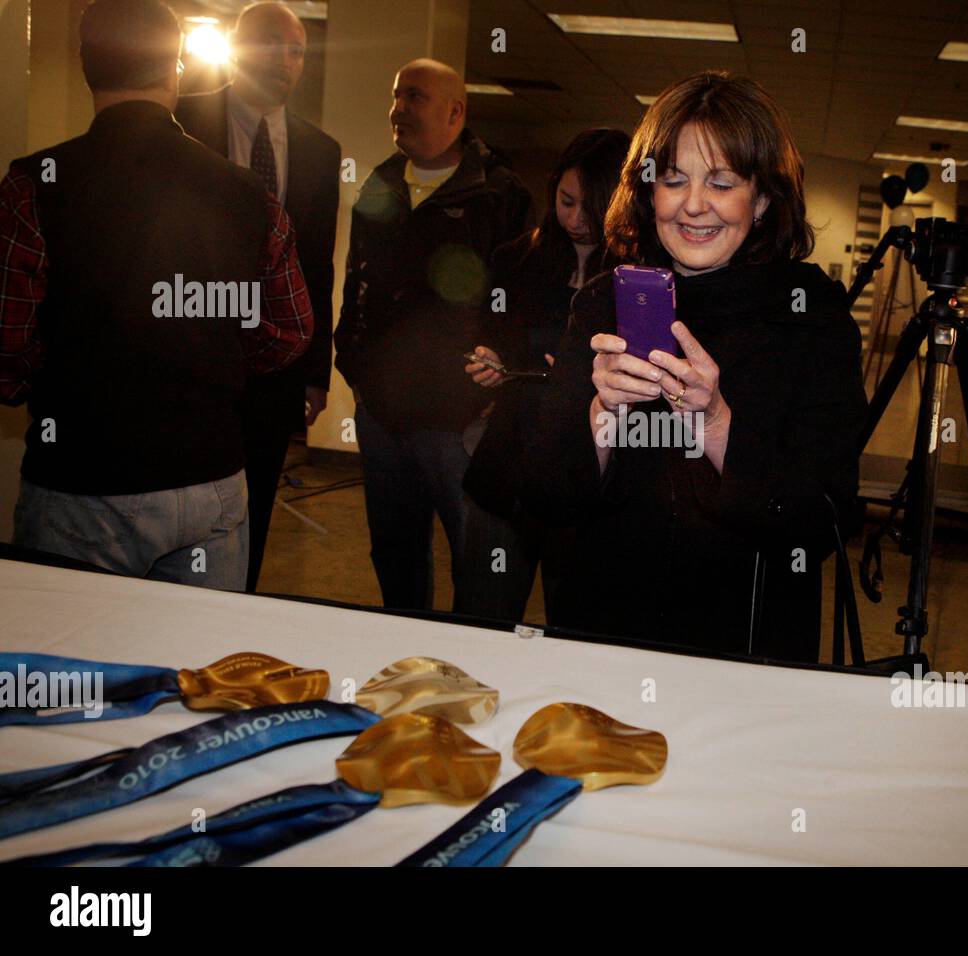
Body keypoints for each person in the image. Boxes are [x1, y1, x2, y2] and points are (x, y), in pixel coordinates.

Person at [523, 71, 867, 662]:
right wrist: (601, 414)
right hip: (604, 632)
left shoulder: (810, 316)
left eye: (723, 182)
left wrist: (716, 427)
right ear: (647, 193)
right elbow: (546, 496)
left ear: (761, 199)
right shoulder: (607, 301)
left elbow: (823, 516)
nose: (694, 205)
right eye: (674, 180)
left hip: (745, 645)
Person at [0, 0, 312, 589]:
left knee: (82, 676)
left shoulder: (33, 186)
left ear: (86, 65)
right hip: (209, 483)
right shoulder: (246, 193)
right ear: (174, 69)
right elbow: (291, 329)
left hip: (82, 483)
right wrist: (213, 355)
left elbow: (7, 347)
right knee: (199, 675)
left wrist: (59, 370)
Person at [333, 59, 533, 611]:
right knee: (395, 558)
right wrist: (353, 363)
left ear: (455, 110)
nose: (398, 109)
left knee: (477, 563)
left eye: (414, 97)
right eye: (396, 96)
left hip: (459, 423)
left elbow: (518, 303)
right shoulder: (381, 182)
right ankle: (406, 666)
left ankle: (469, 674)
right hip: (382, 417)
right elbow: (357, 282)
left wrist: (492, 388)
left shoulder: (498, 194)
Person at [175, 1, 341, 592]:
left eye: (297, 50)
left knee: (254, 513)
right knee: (181, 510)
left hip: (276, 365)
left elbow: (318, 267)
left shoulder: (321, 150)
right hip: (189, 350)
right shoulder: (181, 119)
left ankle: (234, 614)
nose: (287, 61)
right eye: (271, 44)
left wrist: (315, 371)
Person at [457, 128, 631, 622]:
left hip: (583, 475)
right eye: (566, 201)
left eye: (591, 208)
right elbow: (490, 333)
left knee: (576, 625)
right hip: (508, 458)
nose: (576, 220)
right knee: (482, 617)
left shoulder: (633, 279)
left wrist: (580, 379)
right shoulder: (516, 259)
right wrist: (490, 359)